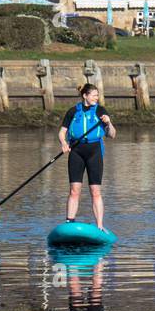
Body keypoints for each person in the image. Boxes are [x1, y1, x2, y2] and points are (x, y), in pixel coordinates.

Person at [59, 83, 116, 229]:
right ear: (85, 96)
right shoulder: (72, 111)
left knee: (95, 191)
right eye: (94, 95)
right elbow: (62, 132)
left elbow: (112, 135)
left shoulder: (101, 111)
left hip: (94, 151)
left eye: (97, 95)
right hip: (76, 151)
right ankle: (69, 222)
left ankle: (99, 226)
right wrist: (64, 143)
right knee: (74, 190)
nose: (97, 98)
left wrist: (108, 123)